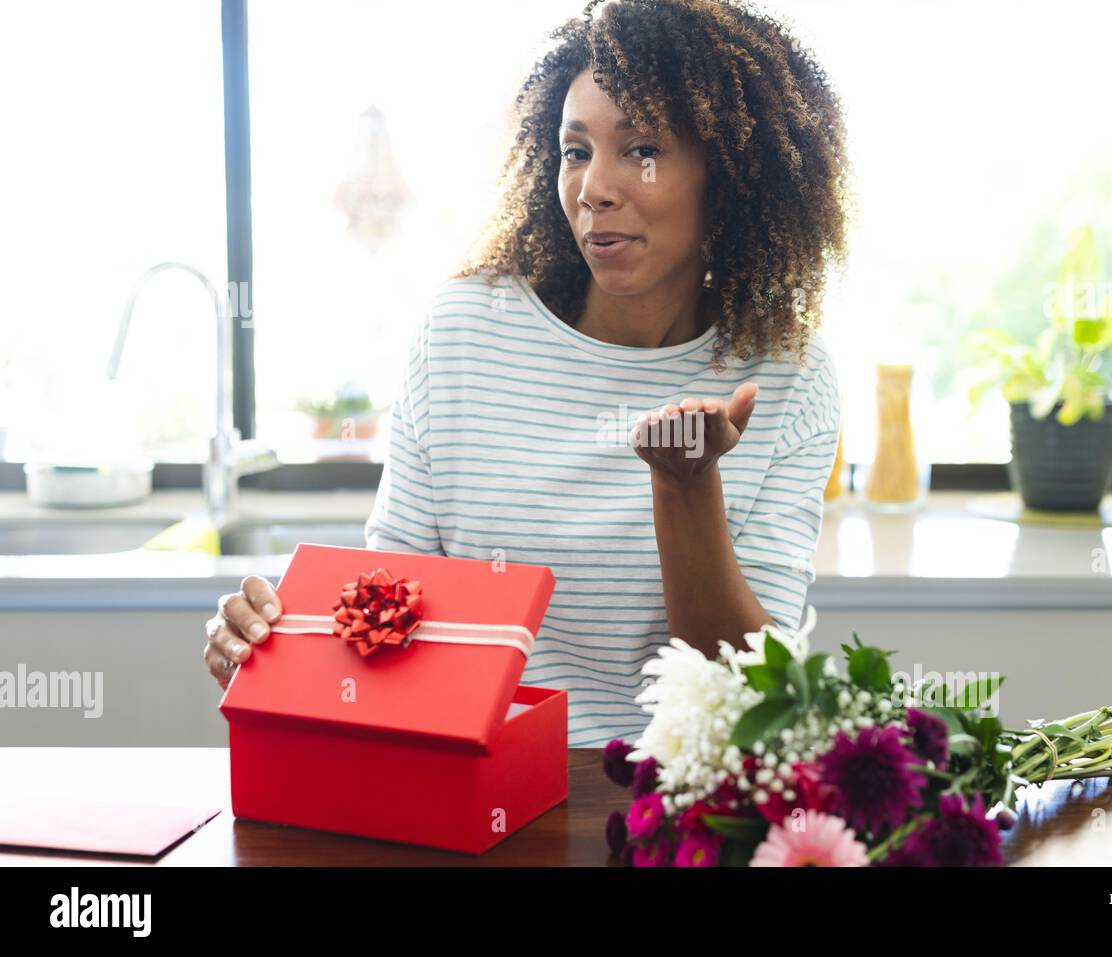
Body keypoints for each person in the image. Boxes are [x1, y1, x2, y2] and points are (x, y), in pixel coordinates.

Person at [204, 0, 853, 747]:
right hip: (469, 785)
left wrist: (686, 485)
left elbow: (751, 696)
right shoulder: (461, 335)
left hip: (671, 808)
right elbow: (384, 619)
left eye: (640, 149)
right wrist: (262, 640)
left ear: (732, 175)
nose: (593, 188)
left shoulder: (788, 373)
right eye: (575, 151)